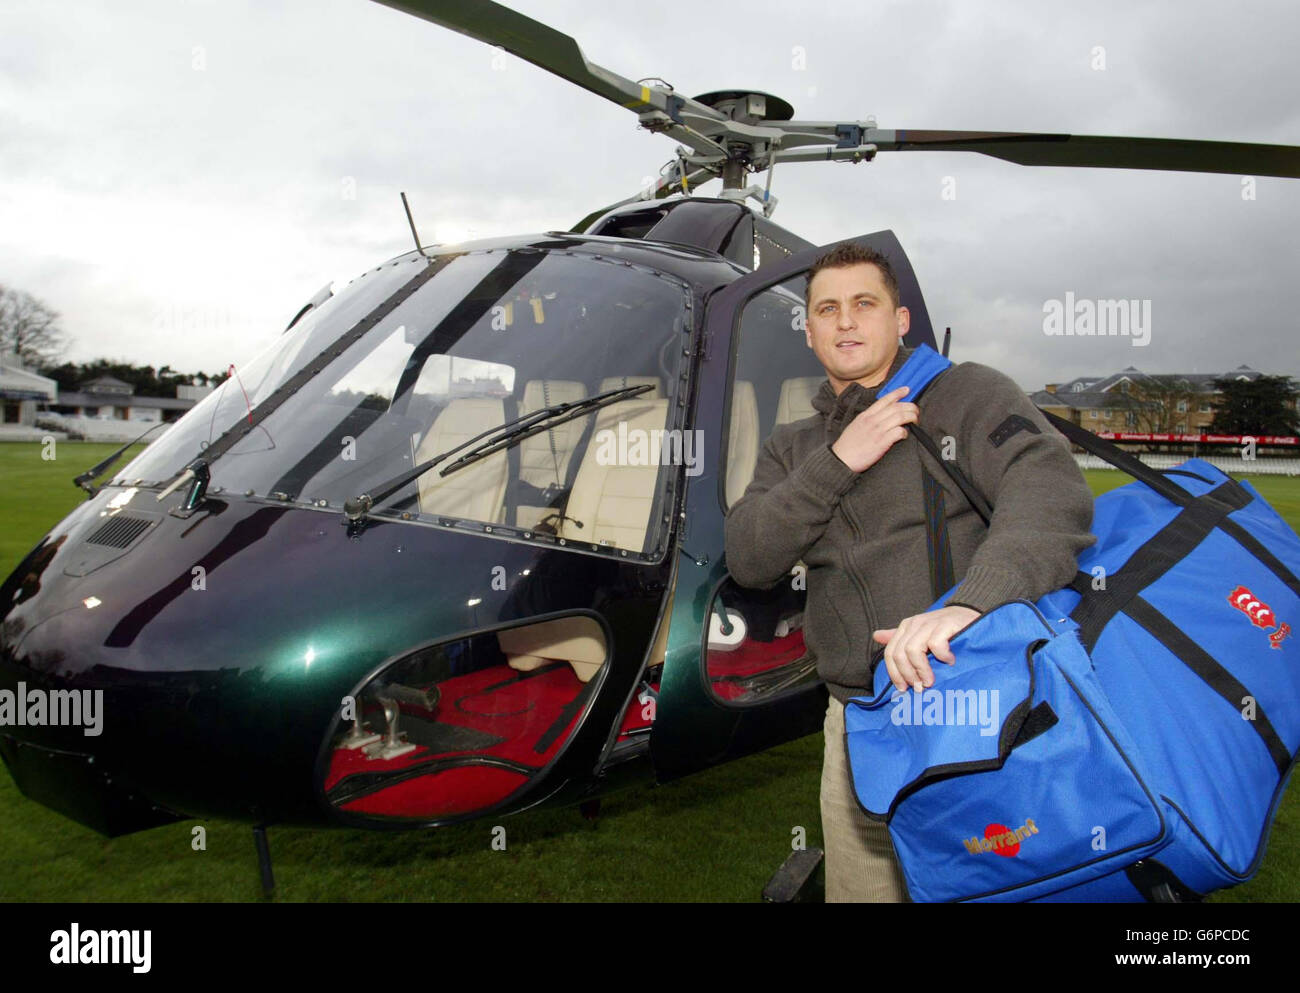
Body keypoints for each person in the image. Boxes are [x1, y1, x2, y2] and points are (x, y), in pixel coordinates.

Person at [723, 242, 1096, 901]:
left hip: (977, 706)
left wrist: (971, 605)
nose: (845, 322)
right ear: (808, 332)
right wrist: (840, 458)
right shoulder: (794, 446)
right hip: (858, 724)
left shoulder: (964, 393)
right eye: (827, 309)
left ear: (899, 321)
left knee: (994, 883)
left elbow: (1050, 492)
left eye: (863, 304)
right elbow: (750, 557)